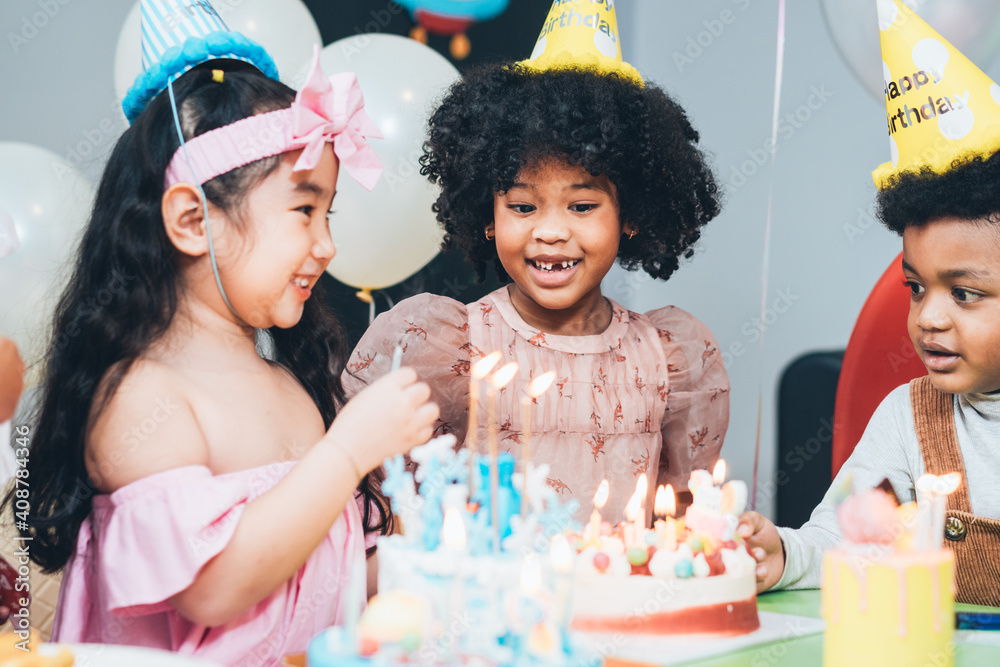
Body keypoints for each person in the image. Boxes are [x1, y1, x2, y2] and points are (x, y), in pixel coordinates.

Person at [4, 43, 438, 667]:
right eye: (304, 210)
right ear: (191, 221)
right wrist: (348, 451)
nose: (328, 245)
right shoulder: (143, 398)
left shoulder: (292, 388)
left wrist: (426, 560)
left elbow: (321, 579)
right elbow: (214, 589)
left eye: (329, 213)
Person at [343, 0, 728, 522]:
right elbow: (376, 508)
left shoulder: (672, 358)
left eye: (583, 206)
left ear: (632, 216)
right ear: (487, 214)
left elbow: (683, 522)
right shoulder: (444, 346)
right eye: (523, 207)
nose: (550, 232)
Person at [738, 0, 1000, 607]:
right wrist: (785, 555)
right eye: (917, 287)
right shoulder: (908, 419)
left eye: (964, 294)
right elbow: (841, 537)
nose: (928, 317)